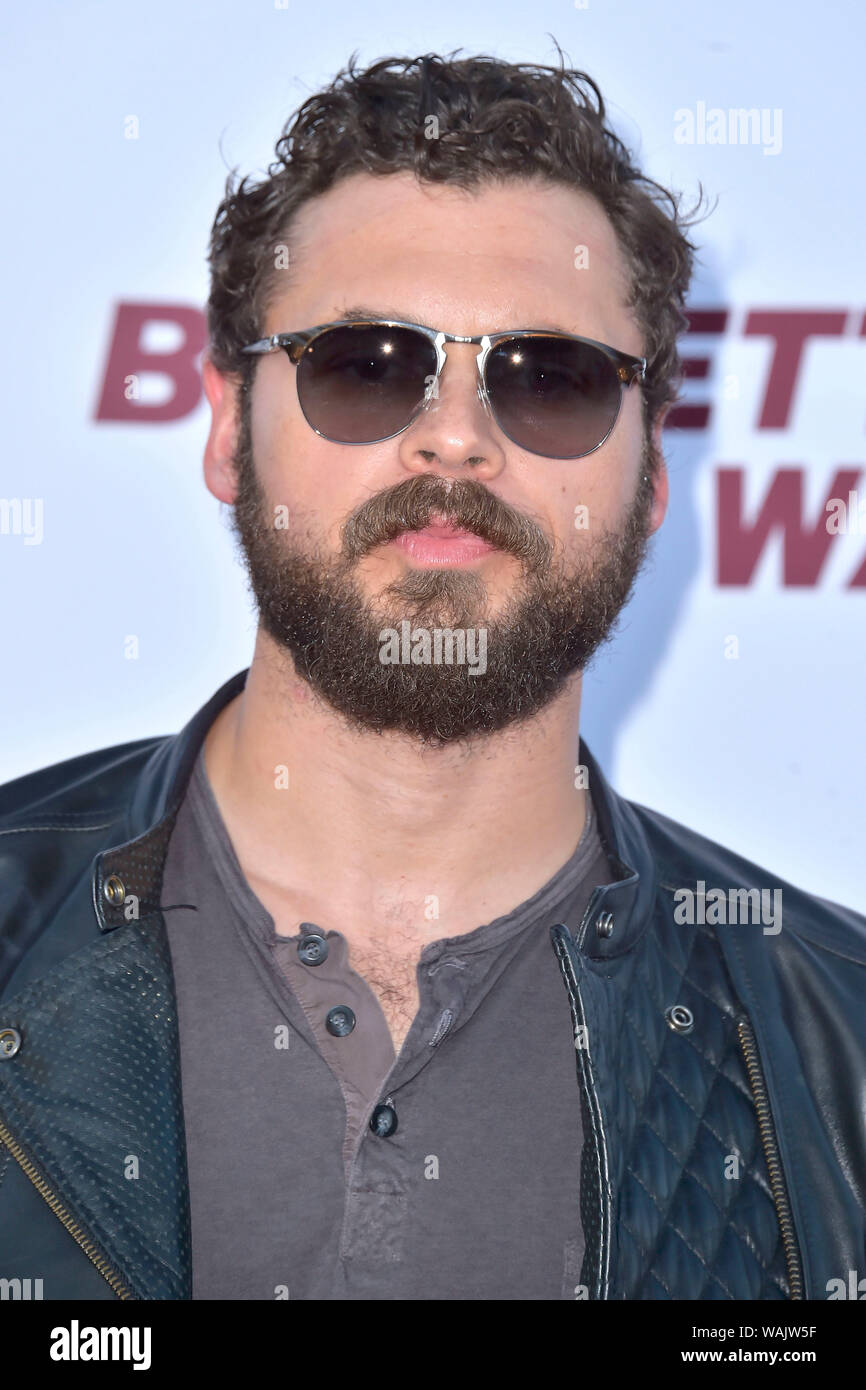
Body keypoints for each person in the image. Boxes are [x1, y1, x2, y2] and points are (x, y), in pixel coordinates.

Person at [1, 50, 864, 1303]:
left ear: (653, 478)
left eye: (550, 378)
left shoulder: (837, 1047)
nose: (453, 435)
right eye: (365, 362)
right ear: (224, 428)